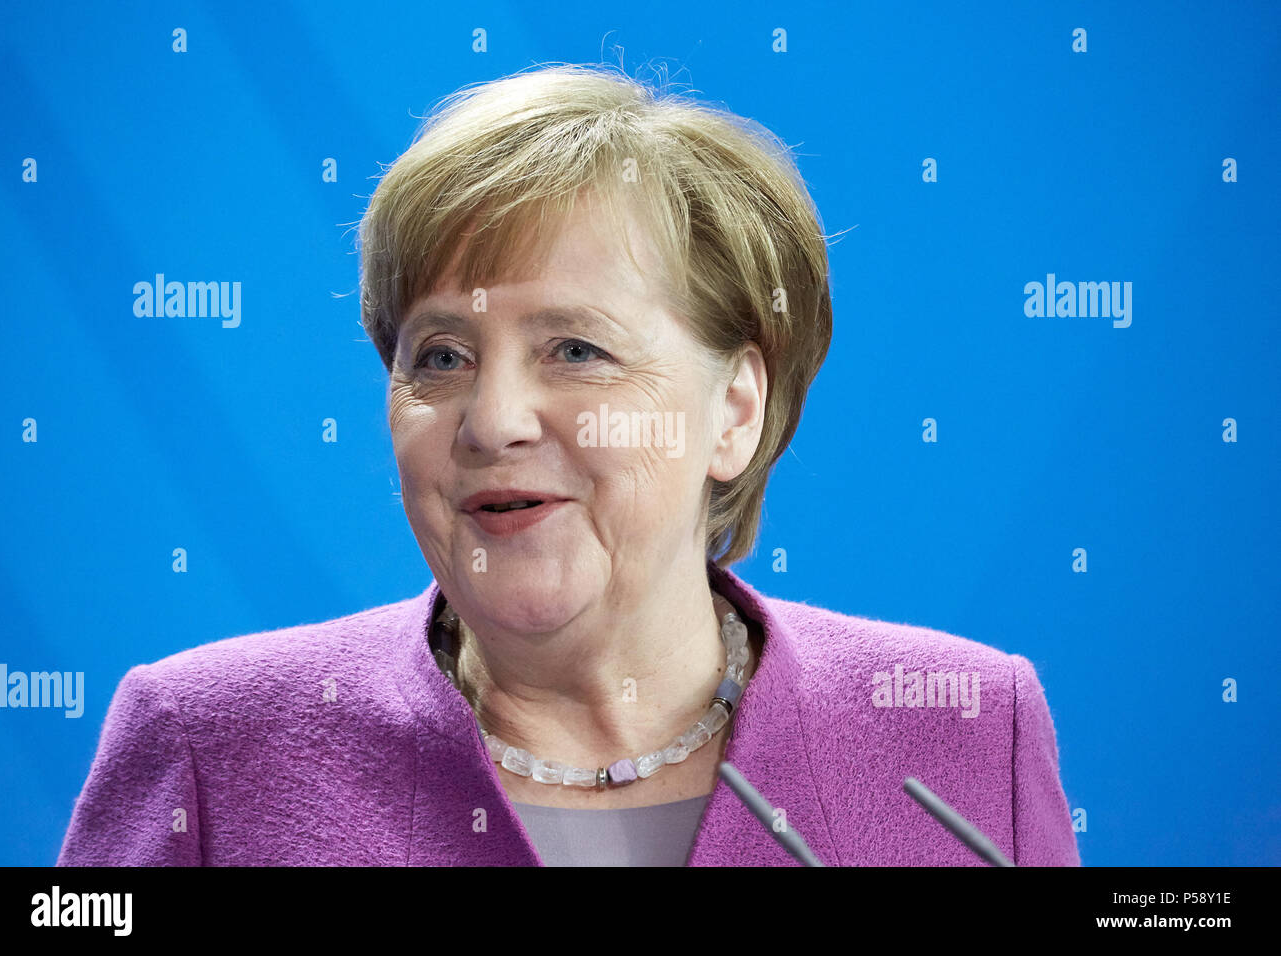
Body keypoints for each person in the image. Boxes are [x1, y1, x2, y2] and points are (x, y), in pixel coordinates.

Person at [57, 63, 1080, 866]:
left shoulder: (966, 725)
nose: (492, 419)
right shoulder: (210, 741)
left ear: (734, 409)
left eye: (575, 350)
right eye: (442, 356)